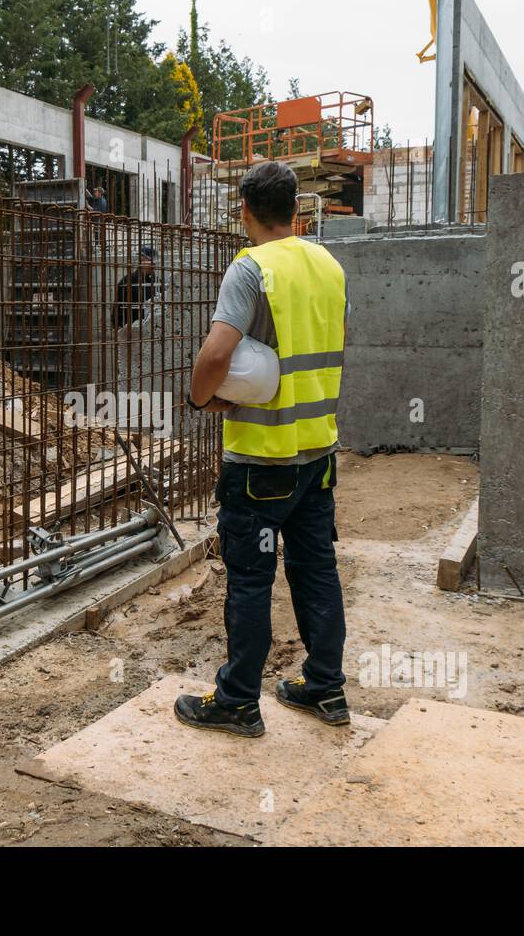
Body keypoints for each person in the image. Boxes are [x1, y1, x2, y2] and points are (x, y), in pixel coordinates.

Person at [176, 160, 350, 738]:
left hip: (260, 460)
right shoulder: (328, 264)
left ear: (245, 210)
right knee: (316, 570)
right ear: (297, 211)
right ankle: (326, 689)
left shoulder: (250, 269)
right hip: (317, 452)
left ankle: (237, 702)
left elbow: (216, 354)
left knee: (250, 578)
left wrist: (200, 400)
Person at [112, 246, 158, 329]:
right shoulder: (127, 281)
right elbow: (118, 305)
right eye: (142, 259)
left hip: (153, 328)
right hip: (131, 328)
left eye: (146, 259)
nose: (142, 261)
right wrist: (117, 325)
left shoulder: (158, 283)